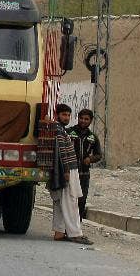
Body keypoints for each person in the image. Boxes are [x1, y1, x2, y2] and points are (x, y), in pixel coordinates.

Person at [48, 103, 92, 245]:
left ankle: (59, 233)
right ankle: (75, 234)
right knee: (71, 202)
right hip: (66, 170)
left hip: (65, 170)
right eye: (64, 115)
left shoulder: (61, 129)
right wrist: (66, 171)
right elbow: (62, 153)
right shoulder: (59, 131)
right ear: (57, 115)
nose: (66, 117)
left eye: (68, 115)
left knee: (61, 203)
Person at [69, 108, 103, 220]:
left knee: (81, 201)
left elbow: (98, 155)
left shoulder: (92, 137)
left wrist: (90, 159)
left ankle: (77, 227)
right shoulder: (69, 133)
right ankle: (65, 229)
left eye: (86, 119)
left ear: (91, 121)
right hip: (69, 173)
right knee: (69, 201)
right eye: (81, 118)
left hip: (84, 174)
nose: (83, 121)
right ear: (78, 118)